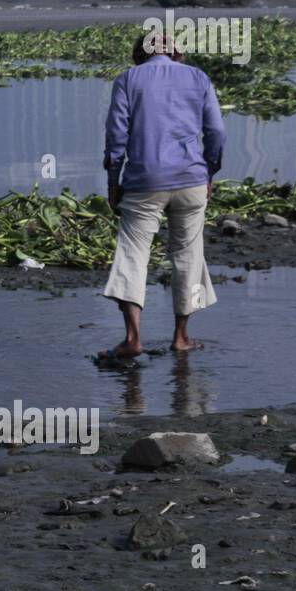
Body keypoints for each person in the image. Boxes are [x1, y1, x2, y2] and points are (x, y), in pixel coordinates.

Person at [99, 32, 226, 361]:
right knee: (188, 256)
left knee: (132, 256)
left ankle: (132, 339)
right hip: (191, 179)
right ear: (177, 54)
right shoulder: (198, 77)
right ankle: (182, 337)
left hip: (143, 183)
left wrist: (113, 181)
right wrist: (209, 173)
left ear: (138, 55)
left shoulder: (128, 79)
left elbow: (116, 135)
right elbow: (216, 131)